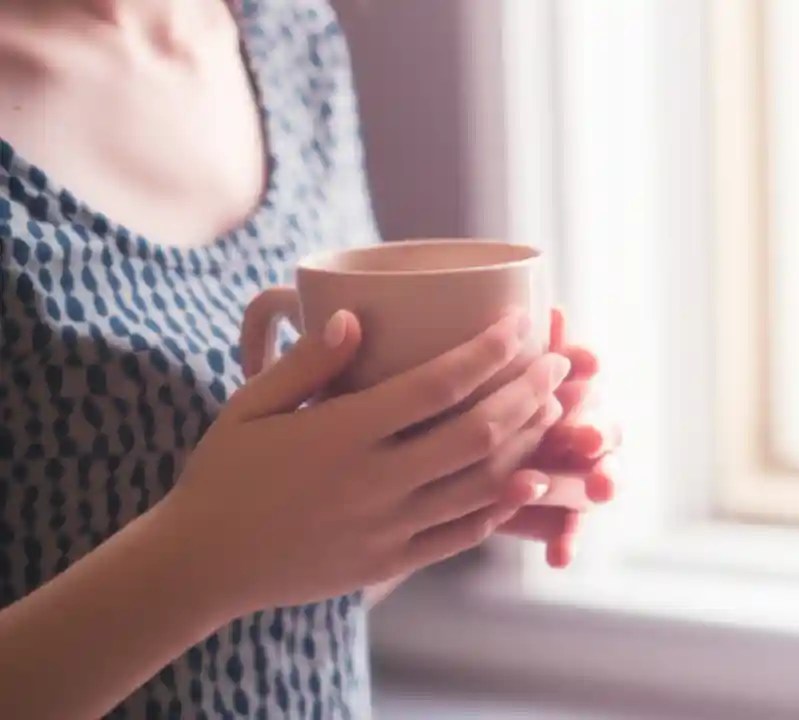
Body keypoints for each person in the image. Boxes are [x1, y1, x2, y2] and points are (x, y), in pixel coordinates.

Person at [0, 1, 619, 717]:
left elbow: (294, 595)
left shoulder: (290, 39)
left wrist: (440, 485)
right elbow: (231, 562)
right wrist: (206, 557)